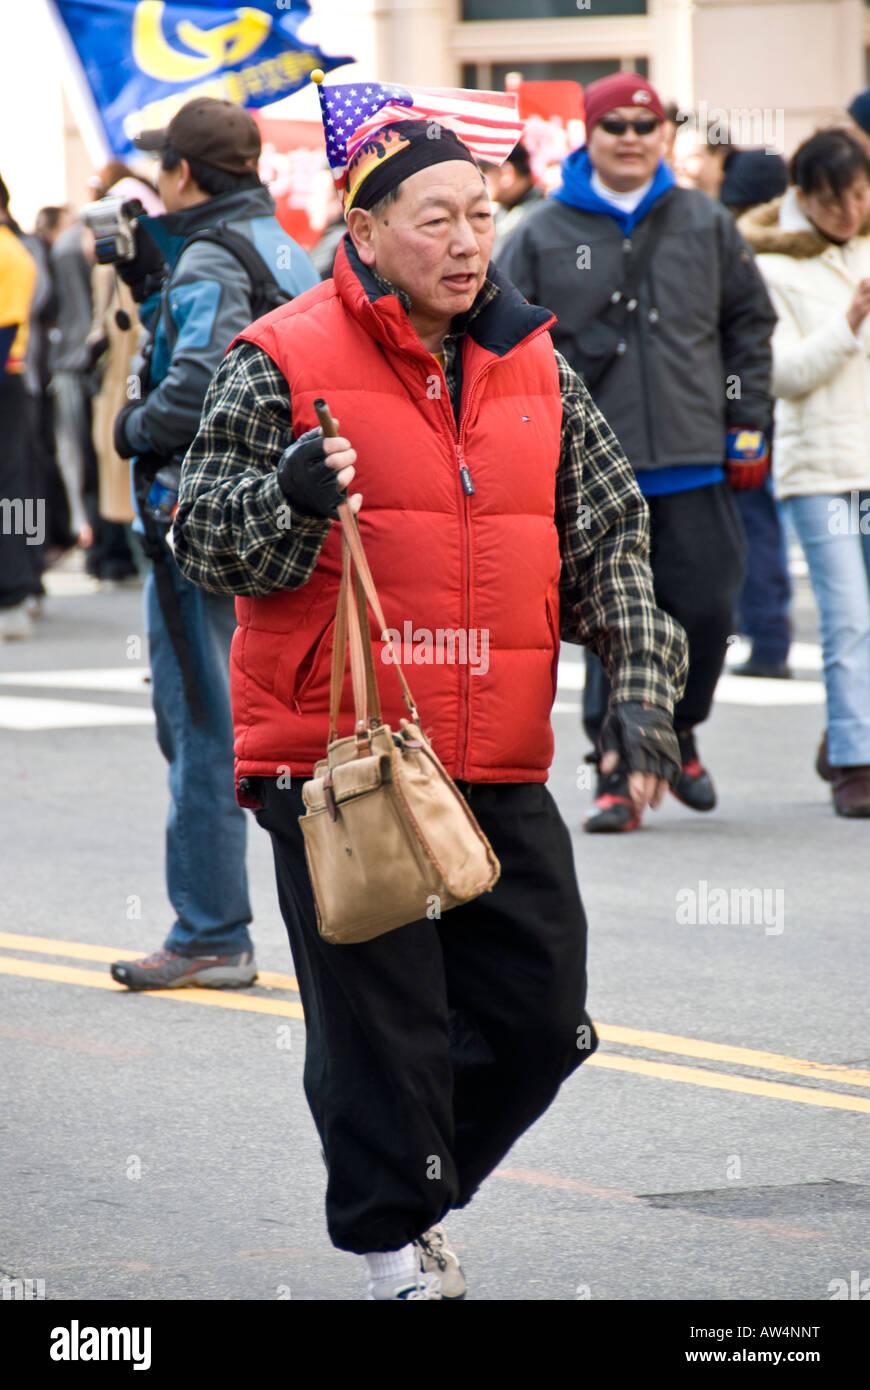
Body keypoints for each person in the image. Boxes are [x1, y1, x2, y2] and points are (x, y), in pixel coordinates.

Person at [172, 76, 688, 1299]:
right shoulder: (280, 356)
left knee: (544, 1017)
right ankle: (389, 1242)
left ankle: (405, 1185)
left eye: (481, 213)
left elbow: (610, 534)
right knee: (384, 1032)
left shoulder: (532, 359)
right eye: (435, 218)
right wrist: (290, 497)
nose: (466, 242)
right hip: (336, 759)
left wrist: (645, 693)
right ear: (363, 229)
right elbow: (200, 534)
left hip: (494, 749)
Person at [501, 73, 776, 832]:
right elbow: (506, 346)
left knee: (708, 609)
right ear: (587, 135)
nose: (629, 137)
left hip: (694, 455)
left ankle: (677, 731)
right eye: (612, 124)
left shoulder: (704, 221)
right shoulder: (538, 230)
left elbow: (749, 326)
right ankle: (617, 770)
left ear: (663, 136)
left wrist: (748, 424)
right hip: (590, 468)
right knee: (611, 621)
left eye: (643, 124)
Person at [106, 97, 319, 990]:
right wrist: (155, 286)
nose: (157, 178)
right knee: (277, 726)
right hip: (278, 515)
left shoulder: (209, 255)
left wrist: (130, 427)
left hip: (196, 519)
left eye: (163, 163)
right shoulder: (282, 244)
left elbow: (195, 385)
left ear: (185, 174)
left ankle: (209, 933)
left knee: (200, 724)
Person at [739, 129, 870, 816]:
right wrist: (849, 322)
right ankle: (855, 762)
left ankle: (848, 729)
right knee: (847, 619)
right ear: (800, 197)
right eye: (832, 199)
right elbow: (782, 374)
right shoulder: (770, 264)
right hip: (819, 469)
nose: (849, 212)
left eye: (860, 195)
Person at [0, 173, 38, 639]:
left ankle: (15, 588)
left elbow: (6, 329)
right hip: (12, 376)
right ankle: (21, 583)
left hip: (7, 374)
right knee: (17, 482)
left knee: (13, 485)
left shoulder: (8, 251)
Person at [480, 143, 542, 260]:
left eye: (483, 175)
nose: (479, 184)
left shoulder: (540, 218)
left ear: (506, 173)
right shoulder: (502, 211)